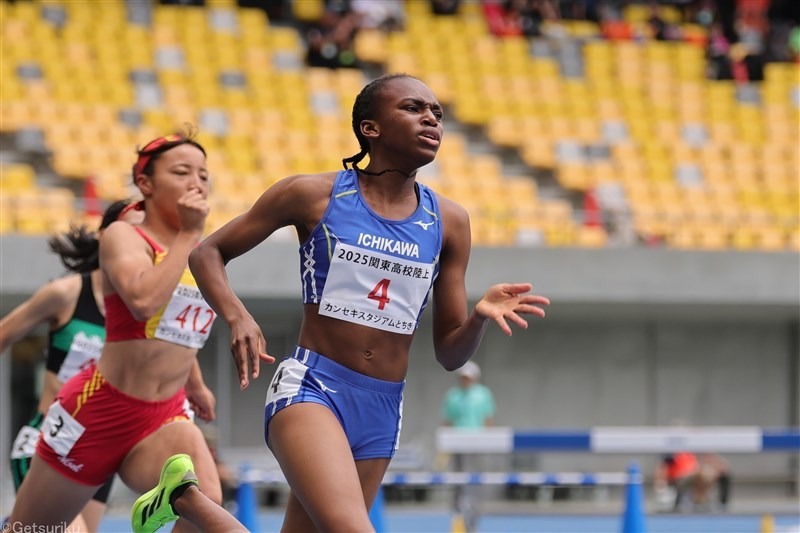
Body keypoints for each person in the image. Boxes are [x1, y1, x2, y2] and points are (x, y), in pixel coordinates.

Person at [188, 73, 550, 532]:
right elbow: (207, 252)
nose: (431, 119)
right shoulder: (312, 194)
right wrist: (237, 316)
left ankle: (188, 502)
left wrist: (478, 317)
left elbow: (449, 354)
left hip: (382, 407)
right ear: (370, 128)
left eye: (436, 113)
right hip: (313, 388)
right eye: (414, 108)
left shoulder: (451, 222)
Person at [7, 129, 248, 533]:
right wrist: (189, 235)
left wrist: (196, 383)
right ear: (145, 184)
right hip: (97, 411)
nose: (197, 183)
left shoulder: (203, 254)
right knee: (32, 531)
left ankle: (166, 498)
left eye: (204, 175)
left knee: (208, 501)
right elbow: (143, 302)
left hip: (164, 413)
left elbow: (174, 330)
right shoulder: (124, 236)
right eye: (183, 172)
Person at [1, 198, 143, 532]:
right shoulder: (65, 294)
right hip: (49, 439)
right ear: (106, 237)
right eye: (132, 234)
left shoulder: (144, 308)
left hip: (99, 449)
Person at [441, 360, 496, 428]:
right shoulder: (452, 395)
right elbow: (448, 419)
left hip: (478, 434)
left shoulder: (484, 394)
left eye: (468, 378)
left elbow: (488, 417)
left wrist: (488, 436)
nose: (465, 381)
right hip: (457, 435)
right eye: (463, 378)